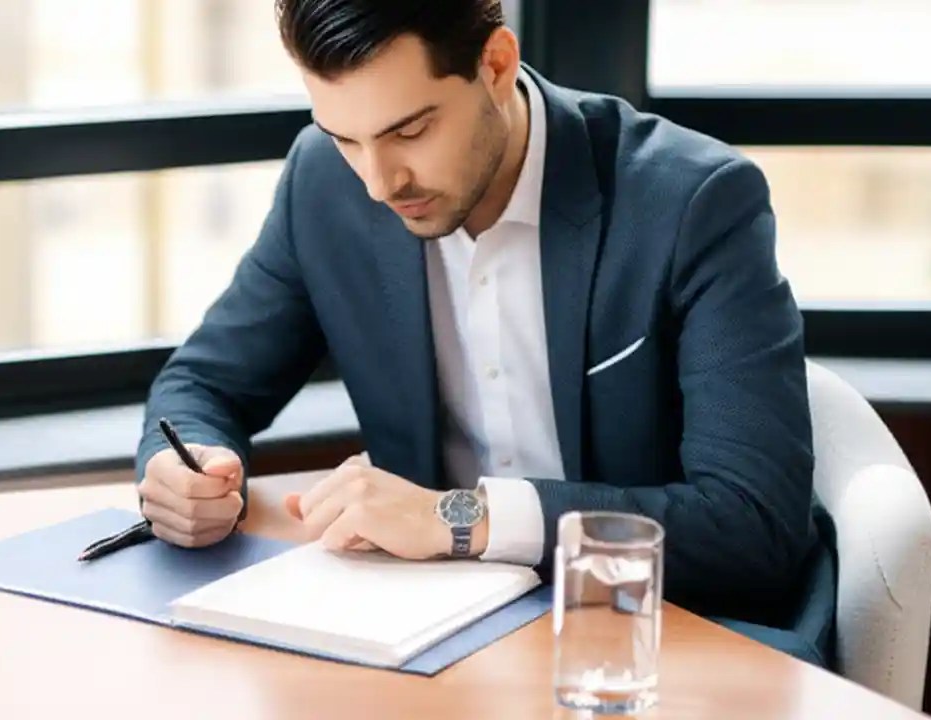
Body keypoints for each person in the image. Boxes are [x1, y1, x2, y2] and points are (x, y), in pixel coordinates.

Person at [134, 0, 835, 666]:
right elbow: (203, 384)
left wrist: (461, 518)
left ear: (495, 65)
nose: (379, 182)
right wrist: (188, 467)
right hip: (436, 643)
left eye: (410, 130)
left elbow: (754, 525)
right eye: (346, 137)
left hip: (658, 642)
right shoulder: (324, 185)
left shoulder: (693, 203)